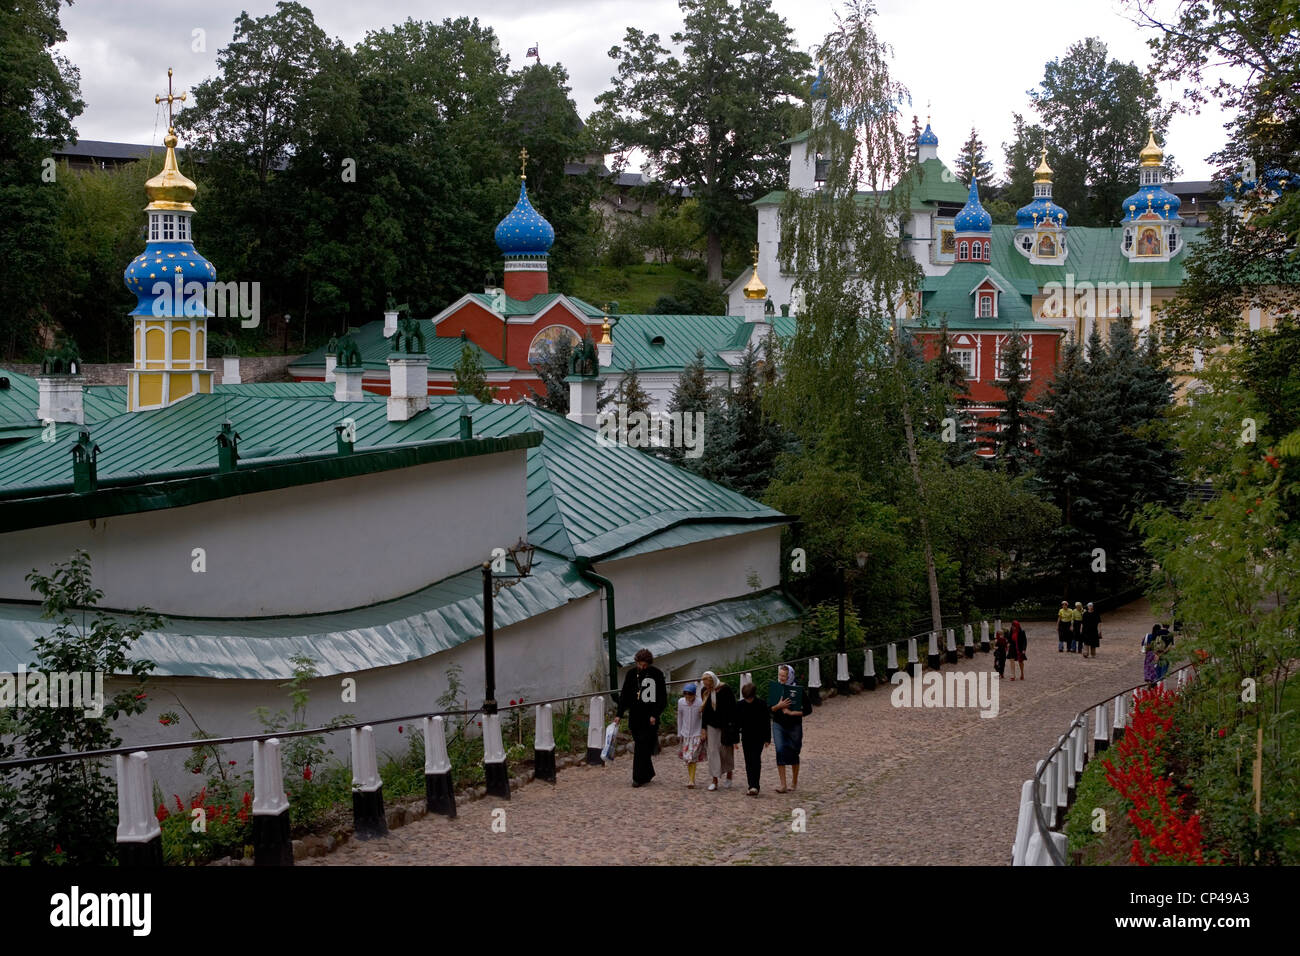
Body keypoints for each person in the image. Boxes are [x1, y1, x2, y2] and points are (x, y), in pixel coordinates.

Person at [616, 648, 666, 787]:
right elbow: (624, 695)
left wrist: (655, 714)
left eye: (645, 665)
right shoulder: (631, 674)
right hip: (635, 717)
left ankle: (637, 778)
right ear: (636, 662)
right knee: (641, 746)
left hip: (649, 718)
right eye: (640, 664)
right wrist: (619, 714)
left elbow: (662, 698)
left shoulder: (657, 674)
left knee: (641, 746)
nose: (642, 667)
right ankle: (648, 773)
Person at [771, 664, 807, 792]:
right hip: (778, 723)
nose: (781, 678)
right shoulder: (775, 688)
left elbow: (808, 710)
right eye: (780, 675)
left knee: (794, 751)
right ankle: (783, 784)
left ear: (790, 676)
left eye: (784, 676)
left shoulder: (798, 689)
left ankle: (794, 782)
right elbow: (770, 708)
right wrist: (778, 706)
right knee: (780, 749)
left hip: (794, 725)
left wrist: (792, 713)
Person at [699, 670, 736, 790]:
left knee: (726, 750)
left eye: (709, 685)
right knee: (712, 751)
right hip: (711, 724)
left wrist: (732, 726)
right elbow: (705, 711)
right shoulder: (704, 691)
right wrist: (703, 728)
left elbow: (732, 708)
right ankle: (714, 779)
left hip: (725, 725)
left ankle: (729, 775)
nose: (707, 687)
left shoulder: (725, 689)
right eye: (705, 685)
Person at [735, 682, 770, 796]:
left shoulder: (761, 704)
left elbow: (766, 721)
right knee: (748, 761)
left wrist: (767, 738)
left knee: (755, 759)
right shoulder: (740, 705)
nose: (748, 700)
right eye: (746, 698)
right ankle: (751, 785)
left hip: (759, 737)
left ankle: (755, 785)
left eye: (749, 698)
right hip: (746, 737)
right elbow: (736, 724)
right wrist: (736, 739)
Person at [676, 682, 704, 789]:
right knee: (687, 758)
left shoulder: (700, 703)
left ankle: (691, 779)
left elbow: (703, 718)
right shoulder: (681, 702)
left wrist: (702, 731)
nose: (688, 697)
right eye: (686, 694)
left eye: (690, 694)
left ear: (694, 694)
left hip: (696, 734)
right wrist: (679, 732)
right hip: (685, 733)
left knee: (692, 757)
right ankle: (691, 778)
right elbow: (680, 717)